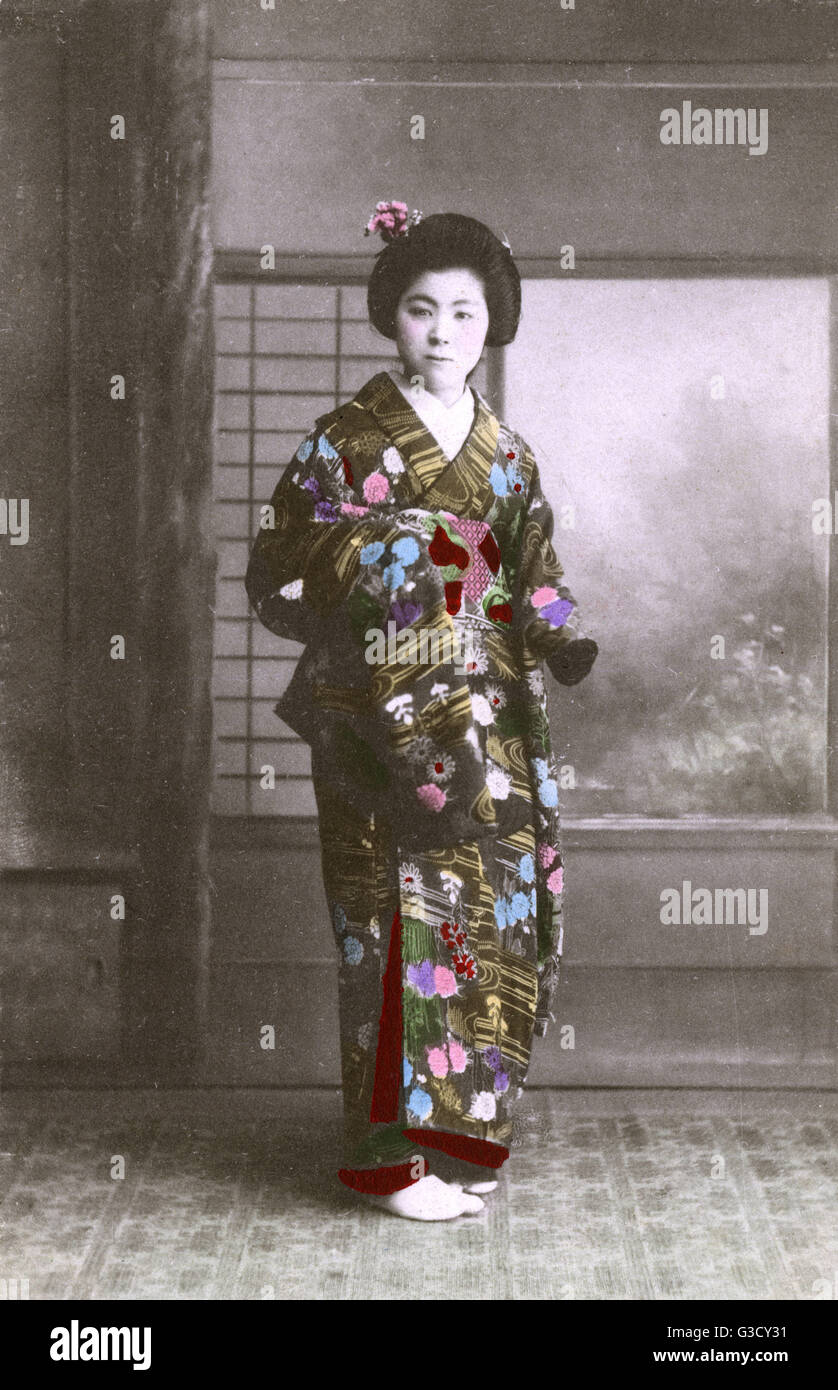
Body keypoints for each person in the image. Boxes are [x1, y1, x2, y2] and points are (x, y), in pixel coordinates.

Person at [245, 202, 598, 1221]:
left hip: (485, 720)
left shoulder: (510, 455)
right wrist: (382, 560)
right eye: (419, 308)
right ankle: (386, 1161)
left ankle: (460, 1143)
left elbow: (536, 574)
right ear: (388, 319)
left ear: (492, 327)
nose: (441, 330)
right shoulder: (341, 441)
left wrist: (556, 631)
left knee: (487, 922)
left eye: (463, 312)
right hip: (373, 718)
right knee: (386, 922)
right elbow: (274, 569)